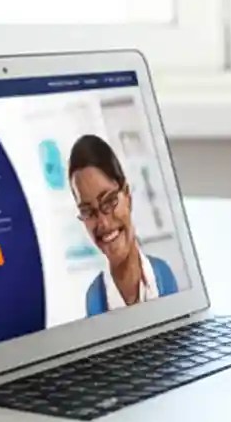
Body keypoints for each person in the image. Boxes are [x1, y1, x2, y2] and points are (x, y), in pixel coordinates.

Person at [67, 134, 179, 316]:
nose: (103, 222)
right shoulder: (94, 299)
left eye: (109, 200)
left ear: (127, 195)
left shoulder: (165, 275)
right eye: (88, 211)